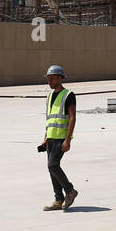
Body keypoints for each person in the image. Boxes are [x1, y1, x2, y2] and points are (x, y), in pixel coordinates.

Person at [39, 65, 78, 210]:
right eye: (48, 79)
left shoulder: (68, 95)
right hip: (51, 138)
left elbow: (72, 118)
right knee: (51, 169)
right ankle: (58, 199)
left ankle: (70, 190)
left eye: (52, 78)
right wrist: (45, 137)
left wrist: (68, 139)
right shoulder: (49, 96)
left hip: (61, 138)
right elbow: (49, 119)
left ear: (60, 78)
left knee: (53, 165)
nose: (49, 81)